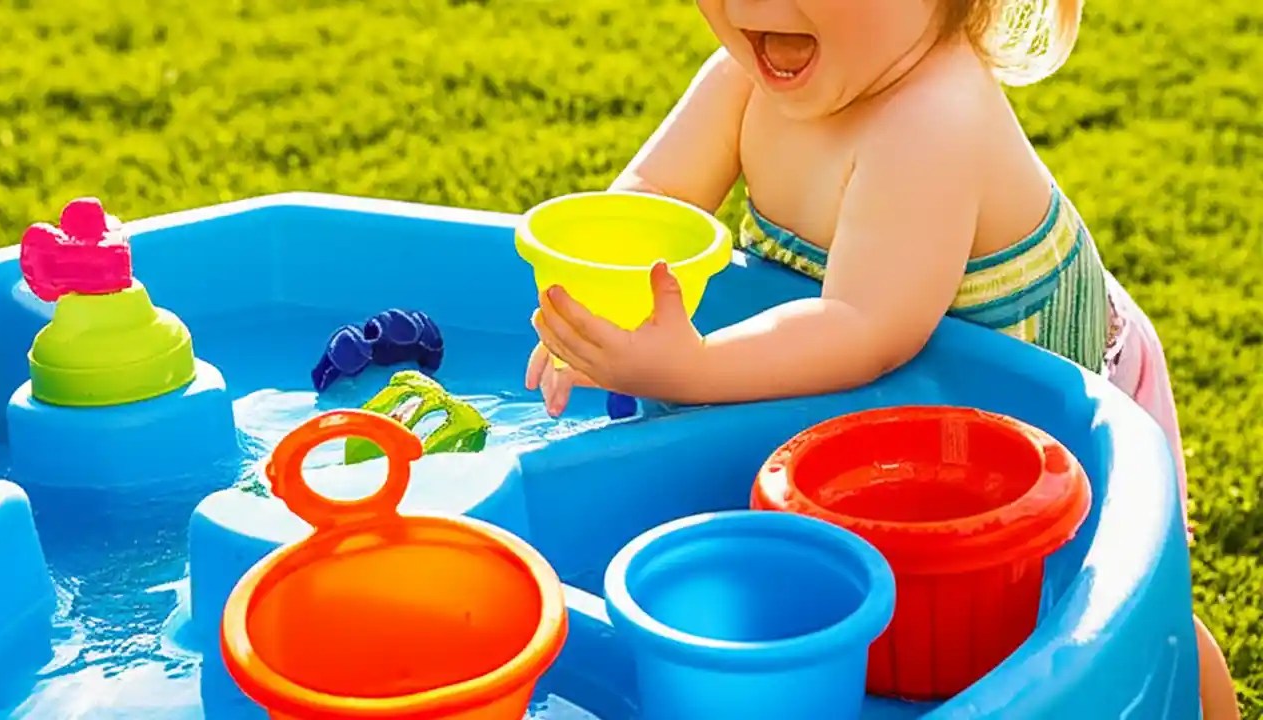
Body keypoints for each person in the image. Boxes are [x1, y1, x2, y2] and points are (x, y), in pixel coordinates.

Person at [523, 0, 1238, 715]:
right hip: (894, 404)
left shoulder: (935, 119)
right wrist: (596, 305)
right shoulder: (742, 83)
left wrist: (688, 369)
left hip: (1054, 399)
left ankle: (1194, 688)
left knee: (1104, 597)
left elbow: (863, 325)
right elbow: (654, 203)